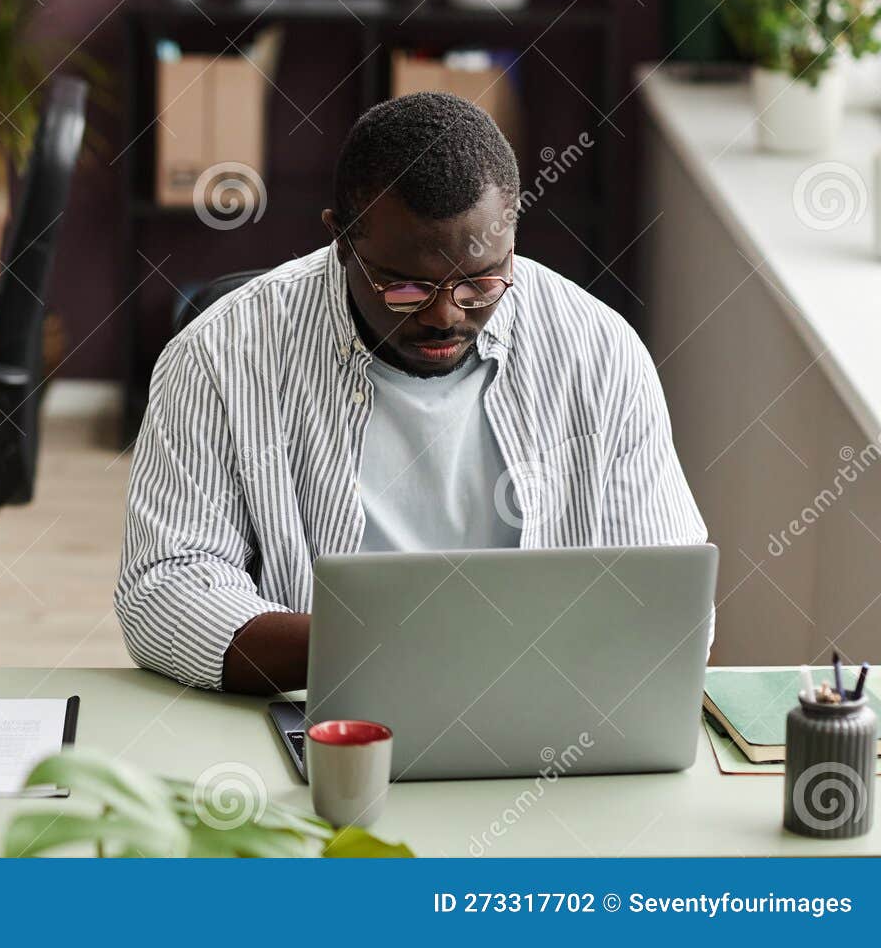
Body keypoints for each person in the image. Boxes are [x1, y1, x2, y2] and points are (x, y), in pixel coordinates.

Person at [115, 91, 706, 694]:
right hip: (324, 714)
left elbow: (669, 595)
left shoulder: (598, 350)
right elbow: (165, 589)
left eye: (481, 283)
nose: (446, 316)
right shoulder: (218, 357)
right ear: (341, 241)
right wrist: (382, 652)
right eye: (406, 289)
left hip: (550, 720)